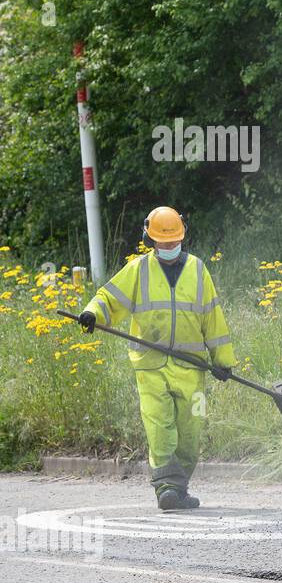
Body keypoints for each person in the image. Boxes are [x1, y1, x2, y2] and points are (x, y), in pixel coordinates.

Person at [77, 206, 236, 511]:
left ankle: (179, 487)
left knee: (190, 432)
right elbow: (109, 298)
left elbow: (212, 318)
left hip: (191, 367)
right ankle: (165, 486)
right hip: (150, 365)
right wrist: (91, 313)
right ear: (149, 240)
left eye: (173, 243)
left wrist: (223, 361)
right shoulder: (138, 270)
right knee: (160, 426)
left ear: (182, 238)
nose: (168, 248)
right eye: (162, 244)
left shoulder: (198, 270)